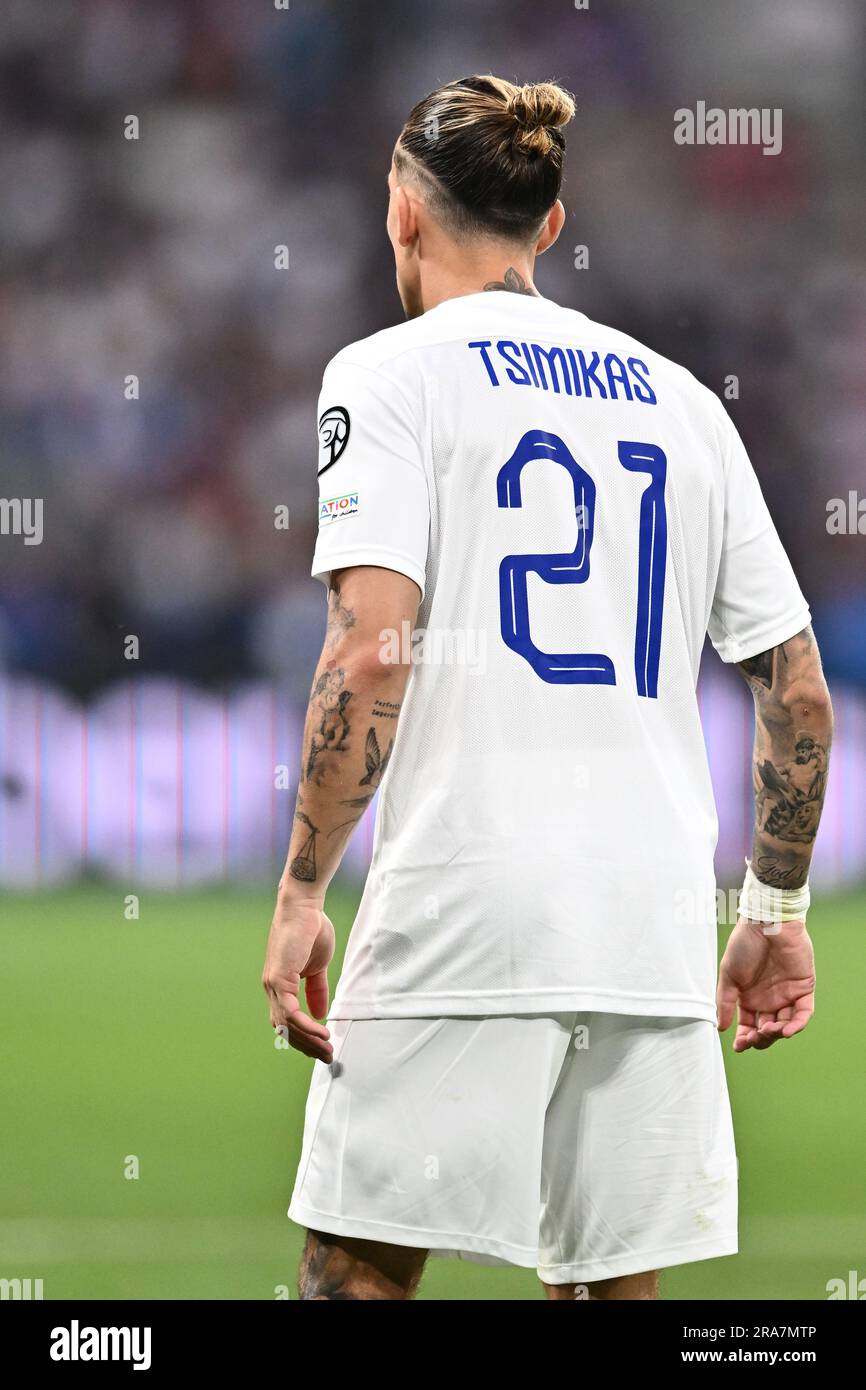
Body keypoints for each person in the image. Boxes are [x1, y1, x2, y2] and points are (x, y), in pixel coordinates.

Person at [261, 75, 832, 1301]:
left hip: (465, 904)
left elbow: (370, 651)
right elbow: (795, 692)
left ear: (404, 215)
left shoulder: (387, 373)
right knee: (608, 1290)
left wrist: (304, 883)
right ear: (551, 228)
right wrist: (770, 913)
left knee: (353, 1277)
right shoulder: (685, 405)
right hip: (649, 920)